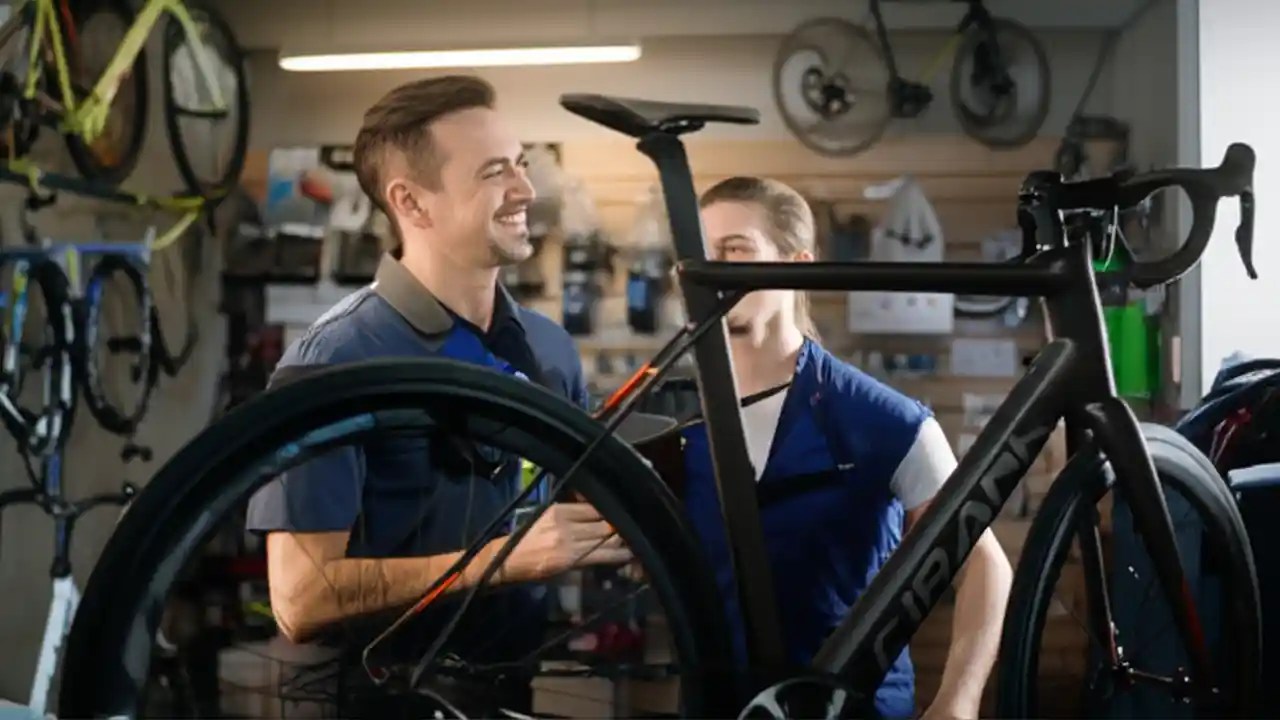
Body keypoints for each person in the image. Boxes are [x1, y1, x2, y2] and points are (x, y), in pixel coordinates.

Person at [243, 75, 632, 713]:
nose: (527, 190)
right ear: (412, 204)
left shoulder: (548, 350)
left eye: (523, 166)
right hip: (375, 702)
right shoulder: (333, 363)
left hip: (507, 693)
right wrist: (499, 562)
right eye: (493, 173)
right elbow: (298, 600)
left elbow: (578, 505)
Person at [678, 176, 1013, 719]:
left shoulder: (879, 418)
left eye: (734, 251)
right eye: (699, 255)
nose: (710, 273)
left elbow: (985, 562)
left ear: (797, 264)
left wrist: (959, 699)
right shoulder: (676, 421)